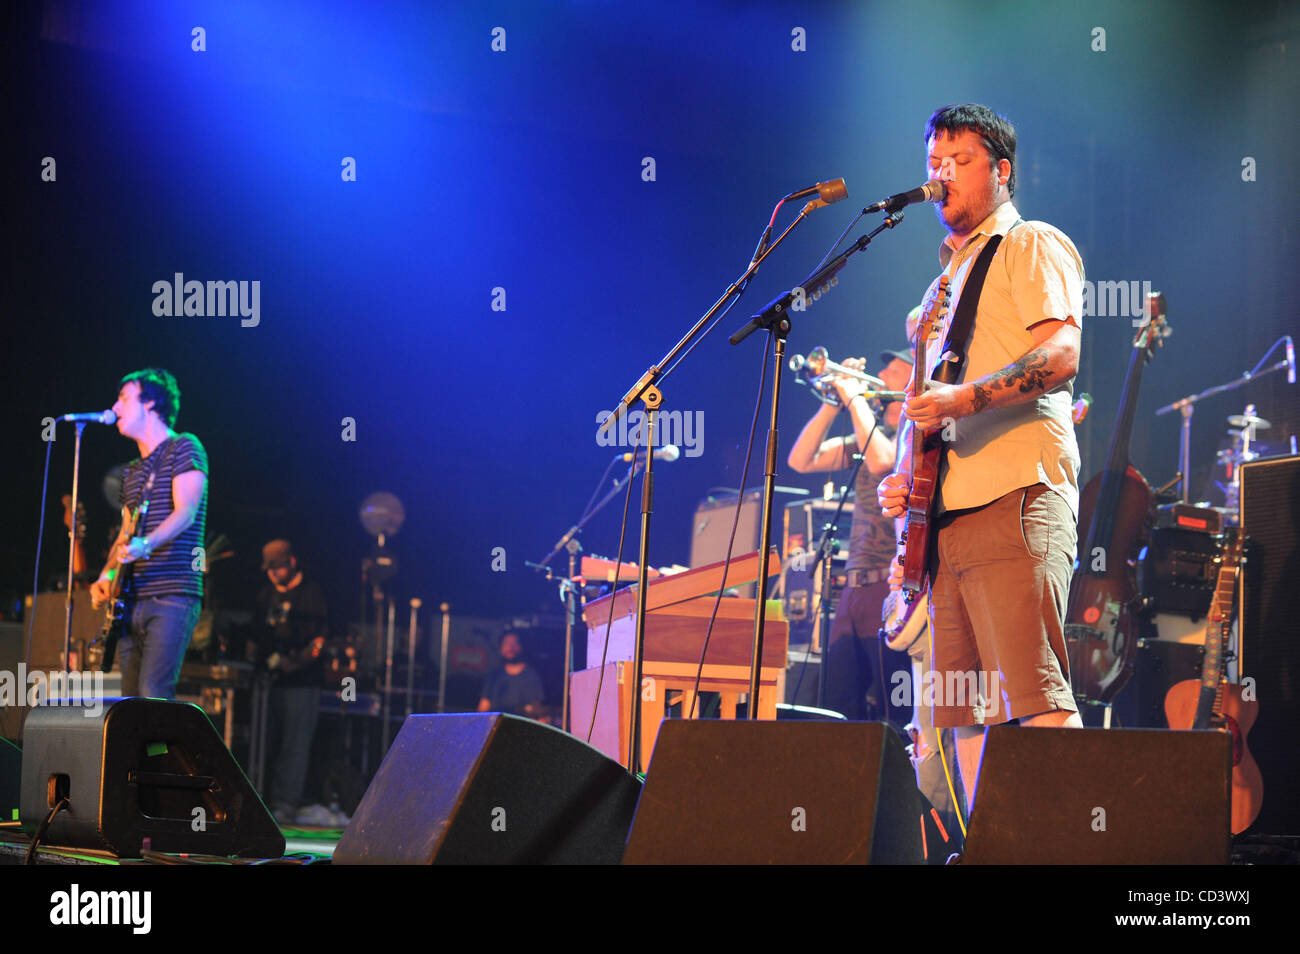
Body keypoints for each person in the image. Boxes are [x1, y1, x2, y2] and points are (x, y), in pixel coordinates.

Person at [879, 104, 1085, 817]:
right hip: (946, 520)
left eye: (959, 161)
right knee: (960, 710)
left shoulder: (1031, 243)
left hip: (1014, 496)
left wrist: (964, 399)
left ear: (1001, 170)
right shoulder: (939, 287)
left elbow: (1062, 353)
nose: (941, 175)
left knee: (1035, 695)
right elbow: (922, 404)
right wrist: (906, 479)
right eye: (934, 162)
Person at [786, 348, 912, 721]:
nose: (881, 374)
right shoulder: (867, 434)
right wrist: (832, 400)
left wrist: (854, 397)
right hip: (853, 589)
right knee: (838, 707)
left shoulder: (913, 434)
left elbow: (883, 461)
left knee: (894, 708)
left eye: (893, 369)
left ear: (912, 379)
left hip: (891, 588)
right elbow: (800, 459)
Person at [90, 369, 208, 700]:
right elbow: (126, 533)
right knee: (130, 700)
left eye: (124, 398)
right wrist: (106, 574)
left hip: (172, 594)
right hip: (131, 599)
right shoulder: (132, 471)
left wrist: (147, 544)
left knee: (153, 692)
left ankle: (169, 739)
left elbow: (186, 512)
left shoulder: (184, 446)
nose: (115, 407)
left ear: (151, 403)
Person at [253, 539, 331, 826]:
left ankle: (286, 802)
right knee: (265, 741)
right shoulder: (265, 595)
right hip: (270, 682)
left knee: (295, 745)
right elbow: (256, 635)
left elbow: (320, 640)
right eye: (269, 569)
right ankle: (259, 798)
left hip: (302, 682)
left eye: (278, 567)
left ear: (292, 562)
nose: (272, 574)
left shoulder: (312, 594)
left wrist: (295, 662)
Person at [477, 632, 546, 721]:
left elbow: (537, 711)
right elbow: (483, 708)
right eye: (506, 644)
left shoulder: (531, 676)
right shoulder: (494, 676)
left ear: (521, 646)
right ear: (501, 648)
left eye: (514, 643)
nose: (510, 648)